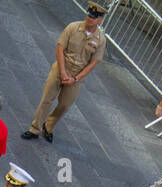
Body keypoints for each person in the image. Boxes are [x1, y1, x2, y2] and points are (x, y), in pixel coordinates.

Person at [22, 3, 107, 143]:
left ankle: (48, 126)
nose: (90, 18)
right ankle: (34, 129)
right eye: (89, 15)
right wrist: (62, 72)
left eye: (94, 17)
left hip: (77, 75)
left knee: (65, 105)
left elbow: (93, 63)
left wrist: (76, 79)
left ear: (100, 20)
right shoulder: (73, 27)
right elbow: (60, 48)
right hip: (62, 67)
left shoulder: (100, 40)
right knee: (46, 99)